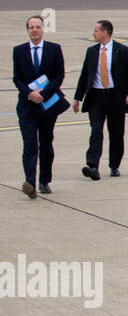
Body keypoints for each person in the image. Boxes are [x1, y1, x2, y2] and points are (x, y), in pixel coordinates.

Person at [72, 19, 128, 180]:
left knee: (116, 133)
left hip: (116, 97)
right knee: (96, 131)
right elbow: (84, 76)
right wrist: (77, 98)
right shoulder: (91, 51)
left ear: (105, 32)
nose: (93, 33)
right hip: (96, 97)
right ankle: (92, 165)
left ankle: (114, 165)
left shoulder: (122, 50)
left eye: (96, 31)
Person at [12, 14, 67, 197]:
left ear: (43, 29)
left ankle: (44, 180)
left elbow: (59, 76)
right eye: (31, 27)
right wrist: (29, 93)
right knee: (29, 145)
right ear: (27, 30)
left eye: (37, 27)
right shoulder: (19, 51)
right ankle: (30, 182)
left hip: (47, 105)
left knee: (45, 143)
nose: (34, 30)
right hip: (27, 106)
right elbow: (17, 78)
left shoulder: (54, 49)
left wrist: (43, 95)